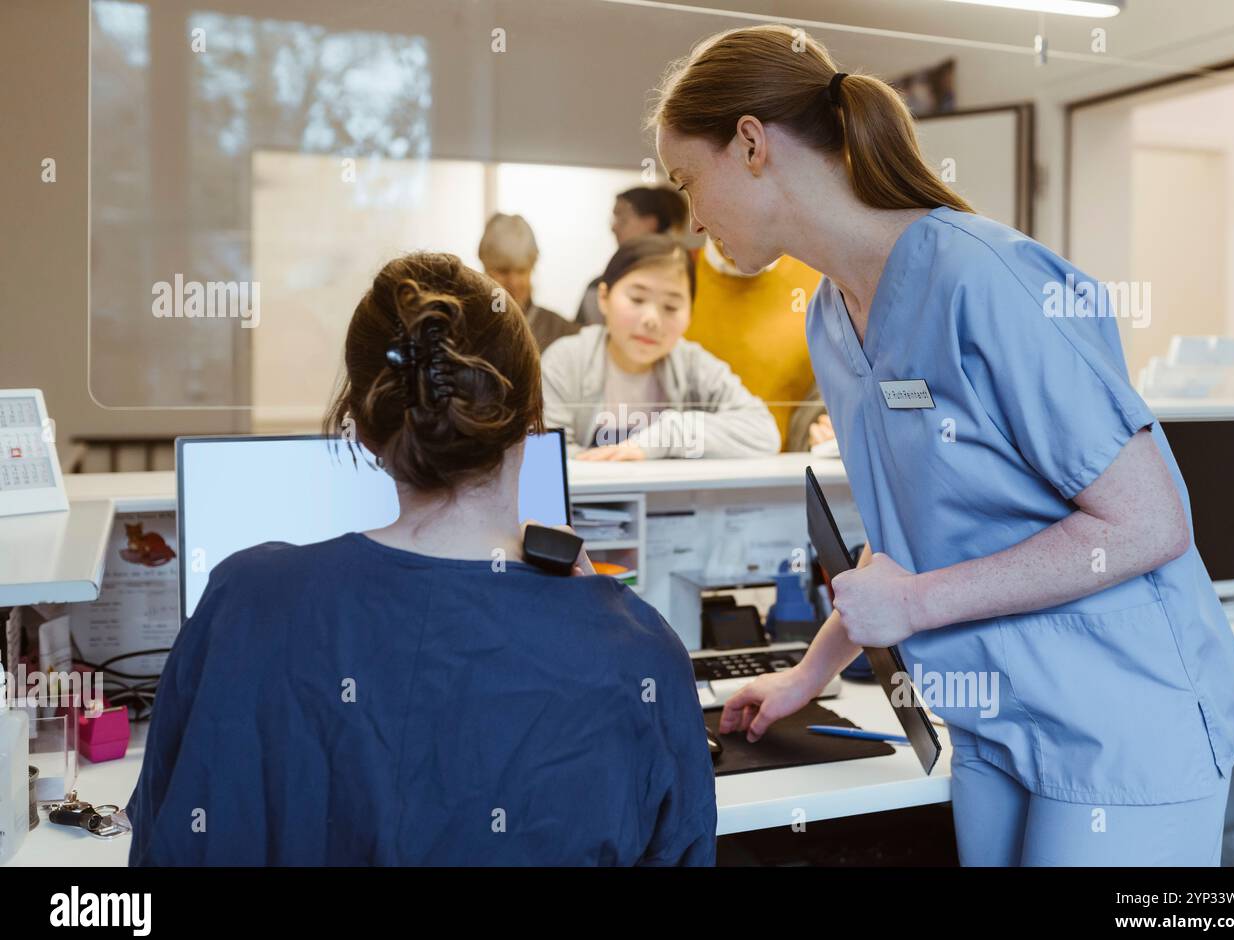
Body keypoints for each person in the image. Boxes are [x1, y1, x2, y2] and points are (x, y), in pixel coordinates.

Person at [651, 24, 1234, 866]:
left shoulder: (988, 280)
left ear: (751, 143)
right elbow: (916, 536)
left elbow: (1149, 522)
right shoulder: (830, 315)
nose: (692, 217)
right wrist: (809, 674)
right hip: (994, 717)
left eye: (687, 181)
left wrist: (916, 607)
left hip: (1122, 713)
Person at [126, 251, 716, 866]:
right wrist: (605, 625)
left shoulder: (244, 602)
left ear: (359, 427)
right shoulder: (642, 654)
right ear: (533, 417)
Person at [543, 234, 780, 460]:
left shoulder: (692, 364)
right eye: (637, 299)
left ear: (689, 314)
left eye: (670, 307)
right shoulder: (566, 361)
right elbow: (543, 457)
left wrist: (667, 436)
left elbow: (763, 433)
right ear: (604, 298)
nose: (652, 320)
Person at [685, 236, 823, 449]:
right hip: (688, 465)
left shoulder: (823, 277)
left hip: (796, 464)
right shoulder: (676, 275)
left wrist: (832, 429)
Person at [574, 185, 689, 326]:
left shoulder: (685, 272)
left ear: (650, 223)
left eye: (622, 219)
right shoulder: (597, 287)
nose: (613, 227)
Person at [479, 212, 578, 354]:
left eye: (521, 271)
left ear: (532, 268)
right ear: (485, 268)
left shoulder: (562, 333)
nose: (513, 283)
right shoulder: (465, 326)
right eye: (503, 271)